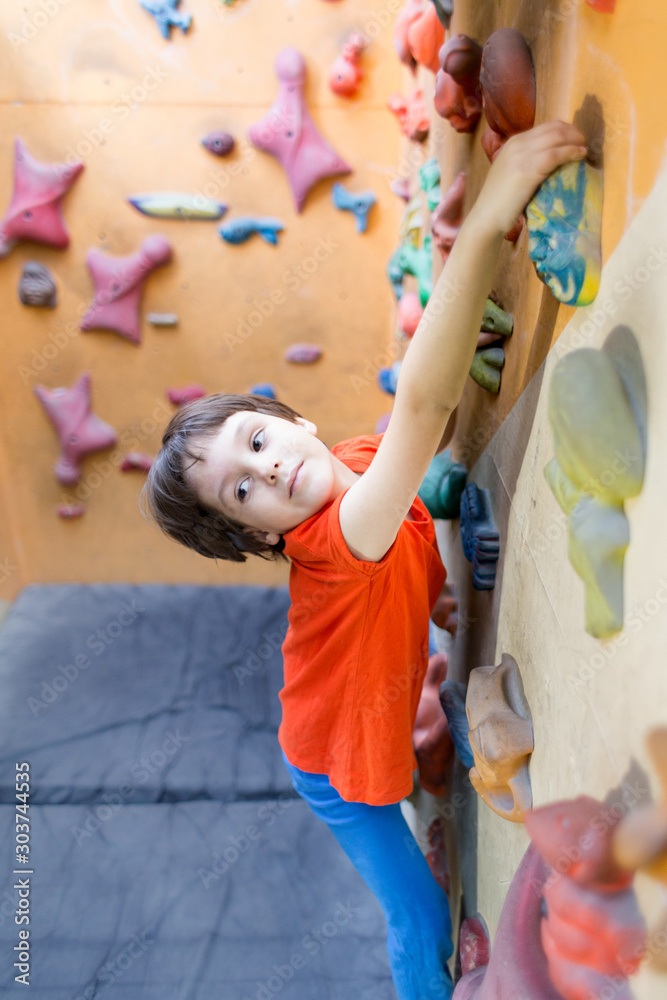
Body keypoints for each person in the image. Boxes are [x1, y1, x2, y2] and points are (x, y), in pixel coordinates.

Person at [142, 122, 587, 999]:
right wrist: (490, 212)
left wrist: (428, 594)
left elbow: (431, 439)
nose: (266, 468)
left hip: (356, 695)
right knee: (418, 916)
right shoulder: (338, 537)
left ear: (292, 420)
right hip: (330, 767)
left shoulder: (345, 464)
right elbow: (421, 408)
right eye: (243, 491)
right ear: (265, 537)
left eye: (257, 440)